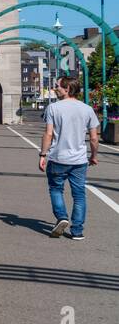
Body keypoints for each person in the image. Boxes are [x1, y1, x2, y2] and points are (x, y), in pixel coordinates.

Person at [39, 75, 100, 240]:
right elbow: (94, 137)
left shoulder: (53, 108)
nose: (55, 88)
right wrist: (93, 156)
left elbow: (48, 134)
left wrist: (43, 154)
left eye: (58, 86)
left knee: (56, 189)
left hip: (58, 158)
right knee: (79, 194)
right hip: (79, 160)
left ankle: (62, 217)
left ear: (67, 89)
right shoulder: (87, 109)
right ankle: (77, 231)